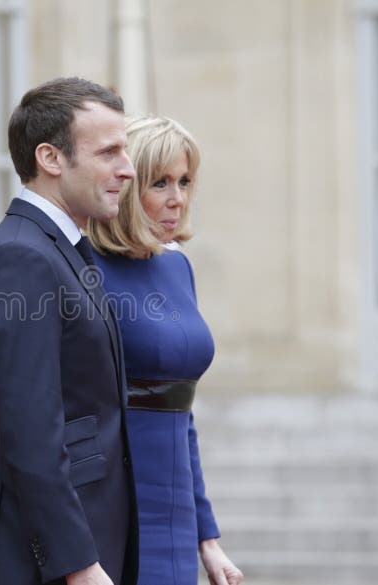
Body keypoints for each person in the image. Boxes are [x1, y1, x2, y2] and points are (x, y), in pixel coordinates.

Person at [0, 77, 138, 585]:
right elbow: (30, 431)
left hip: (84, 540)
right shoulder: (21, 257)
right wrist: (76, 563)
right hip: (50, 562)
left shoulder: (57, 249)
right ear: (50, 158)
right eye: (108, 152)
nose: (128, 168)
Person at [87, 115, 243, 585]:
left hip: (175, 512)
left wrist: (207, 538)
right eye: (160, 183)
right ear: (127, 186)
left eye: (184, 181)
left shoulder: (178, 268)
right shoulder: (82, 270)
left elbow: (180, 410)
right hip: (114, 507)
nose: (178, 198)